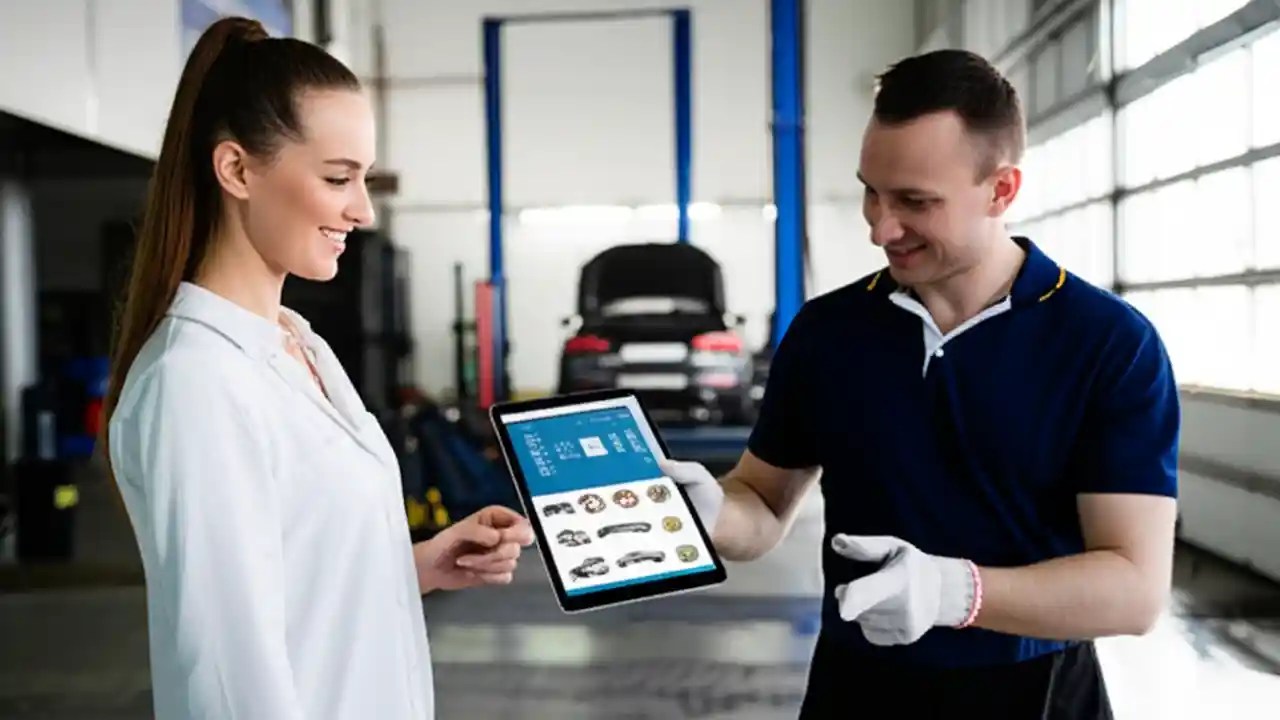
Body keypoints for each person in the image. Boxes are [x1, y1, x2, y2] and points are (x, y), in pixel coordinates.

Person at [662, 49, 1179, 718]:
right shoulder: (828, 332)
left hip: (1035, 693)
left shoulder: (1106, 343)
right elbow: (762, 504)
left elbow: (1134, 590)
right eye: (870, 191)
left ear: (1002, 190)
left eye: (914, 201)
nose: (881, 226)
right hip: (857, 689)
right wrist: (711, 515)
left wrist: (953, 593)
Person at [101, 17, 533, 720]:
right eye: (339, 178)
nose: (362, 209)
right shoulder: (199, 384)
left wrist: (416, 565)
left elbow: (295, 576)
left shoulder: (300, 346)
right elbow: (227, 674)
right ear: (237, 169)